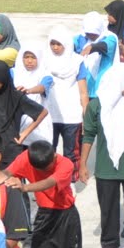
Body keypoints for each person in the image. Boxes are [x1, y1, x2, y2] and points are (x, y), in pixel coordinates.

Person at [78, 67, 124, 248]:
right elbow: (88, 135)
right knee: (107, 207)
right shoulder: (96, 107)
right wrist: (83, 164)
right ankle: (109, 245)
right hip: (106, 167)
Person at [0, 61, 47, 166]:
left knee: (12, 180)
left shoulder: (16, 96)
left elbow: (42, 112)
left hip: (10, 149)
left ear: (4, 78)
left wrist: (24, 134)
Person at [44, 28, 85, 159]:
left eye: (58, 44)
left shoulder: (77, 62)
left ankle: (70, 179)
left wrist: (85, 114)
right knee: (48, 152)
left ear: (66, 44)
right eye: (52, 43)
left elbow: (83, 91)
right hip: (49, 114)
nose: (55, 47)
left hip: (71, 116)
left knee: (71, 154)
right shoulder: (44, 60)